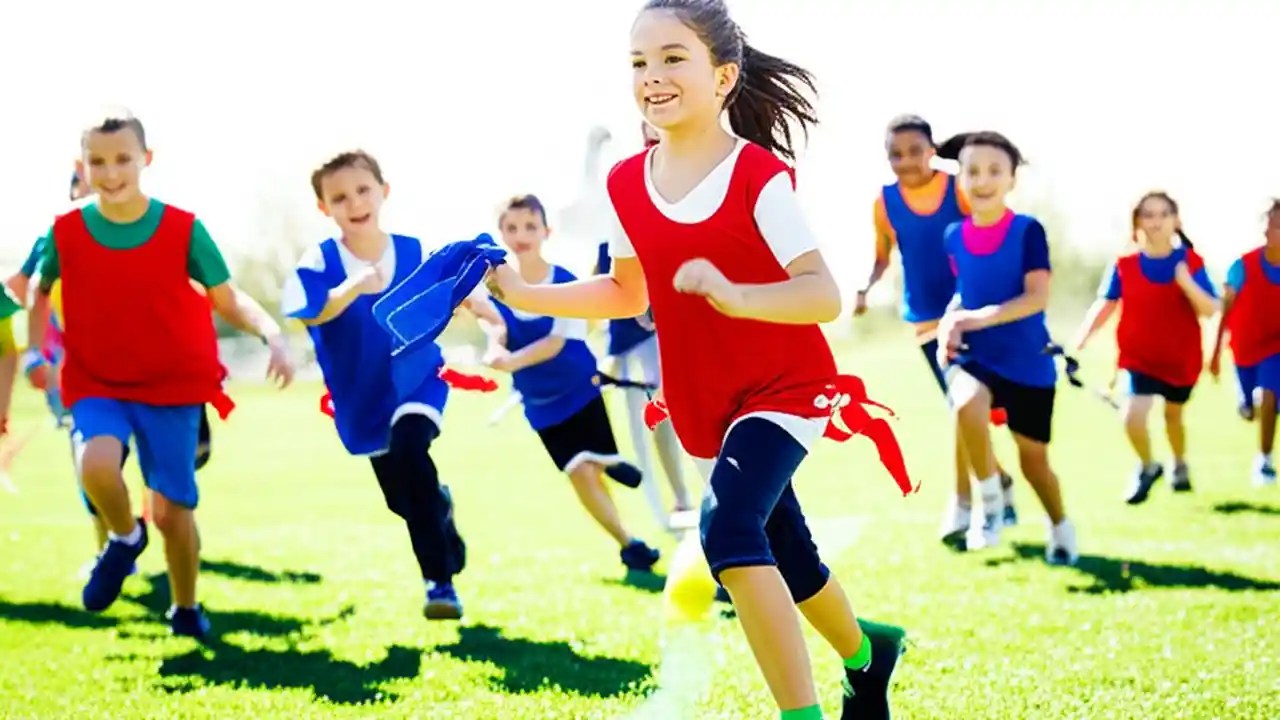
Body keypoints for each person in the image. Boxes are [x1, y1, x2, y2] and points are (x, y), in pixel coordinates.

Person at [484, 3, 908, 718]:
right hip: (706, 397)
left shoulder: (757, 175)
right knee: (790, 560)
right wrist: (528, 291)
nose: (652, 76)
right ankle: (868, 654)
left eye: (672, 58)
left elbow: (822, 294)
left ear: (723, 76)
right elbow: (626, 292)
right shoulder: (625, 183)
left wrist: (737, 295)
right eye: (638, 63)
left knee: (729, 532)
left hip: (785, 387)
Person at [29, 109, 294, 638]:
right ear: (80, 165)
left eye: (123, 159)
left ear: (145, 160)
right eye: (97, 161)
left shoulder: (183, 228)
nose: (110, 172)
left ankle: (186, 607)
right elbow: (38, 292)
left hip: (171, 386)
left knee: (173, 512)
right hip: (96, 381)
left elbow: (227, 297)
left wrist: (273, 333)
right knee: (96, 463)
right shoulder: (65, 231)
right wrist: (38, 355)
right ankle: (125, 539)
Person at [282, 149, 468, 619]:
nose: (354, 202)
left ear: (384, 192)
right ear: (324, 208)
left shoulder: (410, 250)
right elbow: (309, 309)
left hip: (417, 381)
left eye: (363, 190)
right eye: (339, 197)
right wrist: (351, 289)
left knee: (410, 451)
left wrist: (481, 310)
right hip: (361, 398)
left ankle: (439, 584)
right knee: (404, 499)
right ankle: (439, 511)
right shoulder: (320, 260)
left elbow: (446, 294)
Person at [464, 194, 661, 573]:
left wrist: (511, 362)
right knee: (579, 472)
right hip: (540, 403)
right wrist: (494, 346)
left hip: (580, 388)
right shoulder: (495, 285)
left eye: (530, 227)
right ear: (501, 233)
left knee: (589, 464)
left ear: (546, 231)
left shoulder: (565, 283)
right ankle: (629, 543)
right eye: (511, 227)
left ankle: (611, 461)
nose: (521, 235)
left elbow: (556, 342)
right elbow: (494, 324)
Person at [855, 114, 1018, 548]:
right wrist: (866, 288)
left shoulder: (957, 188)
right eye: (895, 153)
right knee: (962, 408)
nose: (905, 161)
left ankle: (969, 503)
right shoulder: (884, 202)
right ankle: (991, 489)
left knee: (966, 408)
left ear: (932, 150)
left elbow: (988, 231)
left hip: (969, 311)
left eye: (913, 151)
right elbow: (882, 255)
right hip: (926, 320)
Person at [933, 131, 1078, 565]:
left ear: (1012, 179)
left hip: (1028, 363)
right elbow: (966, 291)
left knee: (1034, 462)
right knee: (965, 405)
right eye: (972, 170)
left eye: (995, 170)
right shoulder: (953, 236)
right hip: (977, 355)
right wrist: (949, 323)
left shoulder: (1027, 231)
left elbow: (1036, 298)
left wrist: (972, 318)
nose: (982, 180)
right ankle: (990, 506)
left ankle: (1060, 525)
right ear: (960, 179)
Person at [1073, 192, 1219, 502]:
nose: (1155, 222)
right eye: (1148, 214)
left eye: (1163, 214)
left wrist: (1185, 282)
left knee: (1173, 418)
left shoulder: (1191, 263)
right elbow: (1106, 303)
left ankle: (1179, 464)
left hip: (1181, 358)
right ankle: (1147, 466)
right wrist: (1083, 336)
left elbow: (1210, 309)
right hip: (1137, 358)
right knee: (1132, 415)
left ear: (1176, 221)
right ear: (1137, 221)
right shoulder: (1124, 265)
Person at [592, 122, 692, 529]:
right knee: (646, 417)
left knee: (673, 412)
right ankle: (673, 502)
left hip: (677, 328)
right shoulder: (628, 189)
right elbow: (607, 281)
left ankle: (689, 499)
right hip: (631, 339)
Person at [1209, 199, 1280, 486]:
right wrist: (1213, 355)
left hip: (1275, 349)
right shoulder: (1242, 266)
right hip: (1244, 350)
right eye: (1269, 223)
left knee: (1267, 395)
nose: (1271, 229)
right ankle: (1246, 403)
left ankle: (1263, 461)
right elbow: (1224, 312)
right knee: (1252, 409)